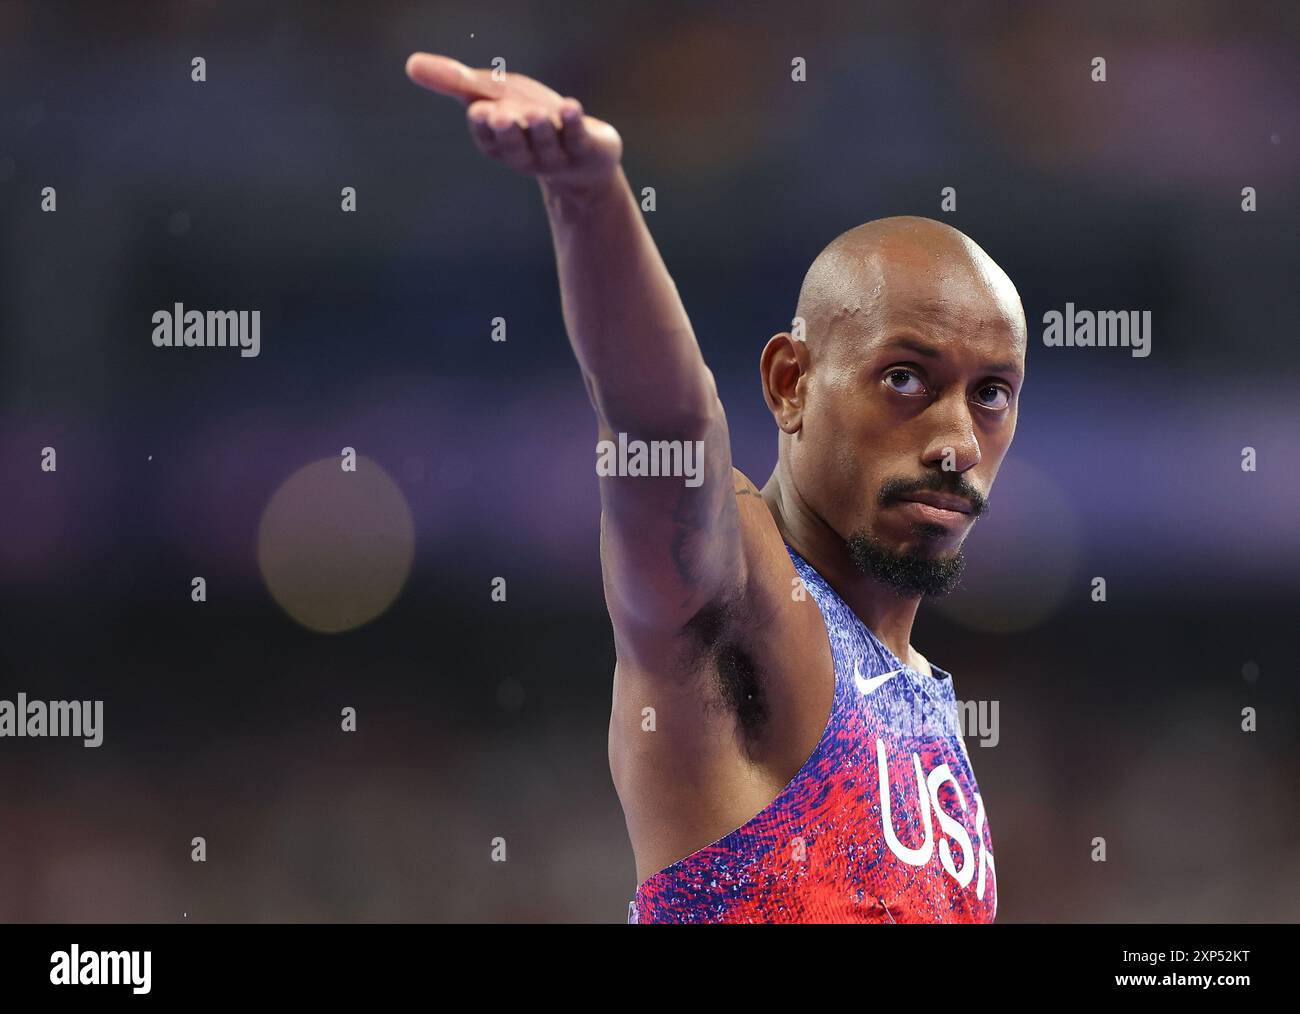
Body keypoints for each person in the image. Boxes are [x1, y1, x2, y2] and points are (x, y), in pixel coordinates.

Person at [407, 53, 1025, 923]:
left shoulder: (926, 701)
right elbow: (659, 430)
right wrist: (591, 197)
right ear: (789, 382)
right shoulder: (742, 608)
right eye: (905, 380)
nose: (958, 442)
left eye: (991, 394)